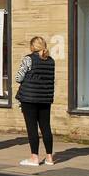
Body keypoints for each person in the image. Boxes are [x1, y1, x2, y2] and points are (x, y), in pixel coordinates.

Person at [16, 35, 56, 166]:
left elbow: (19, 77)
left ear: (33, 46)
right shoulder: (51, 60)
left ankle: (34, 158)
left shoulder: (29, 59)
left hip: (29, 98)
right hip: (45, 98)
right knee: (46, 127)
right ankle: (49, 157)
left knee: (32, 127)